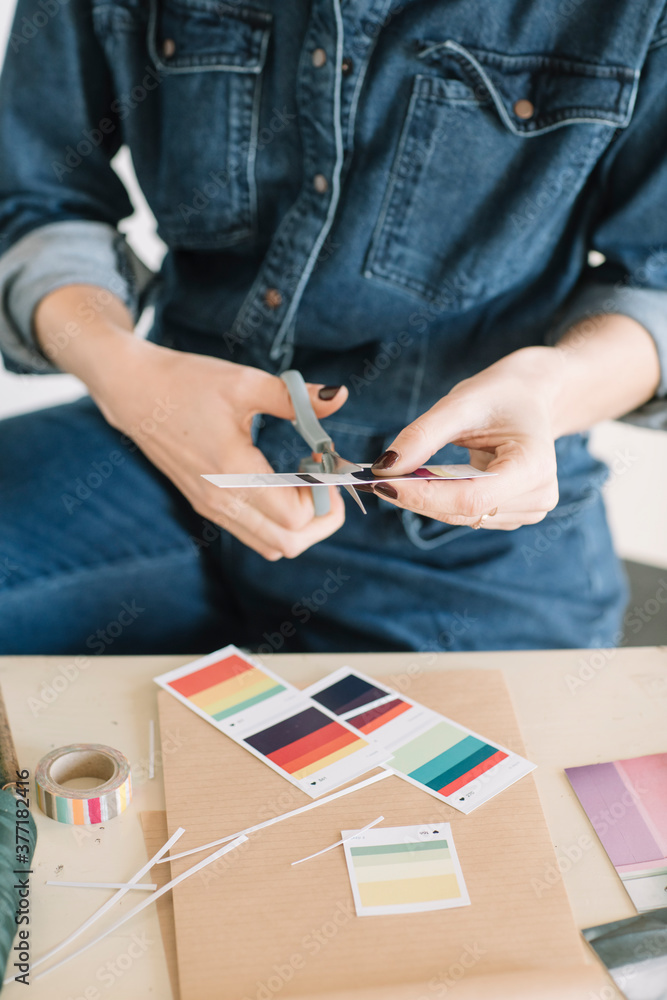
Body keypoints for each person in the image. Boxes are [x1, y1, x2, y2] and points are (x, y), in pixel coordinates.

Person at [0, 0, 666, 656]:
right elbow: (36, 200)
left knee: (459, 765)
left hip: (461, 531)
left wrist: (546, 391)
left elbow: (655, 286)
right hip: (160, 448)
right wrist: (123, 372)